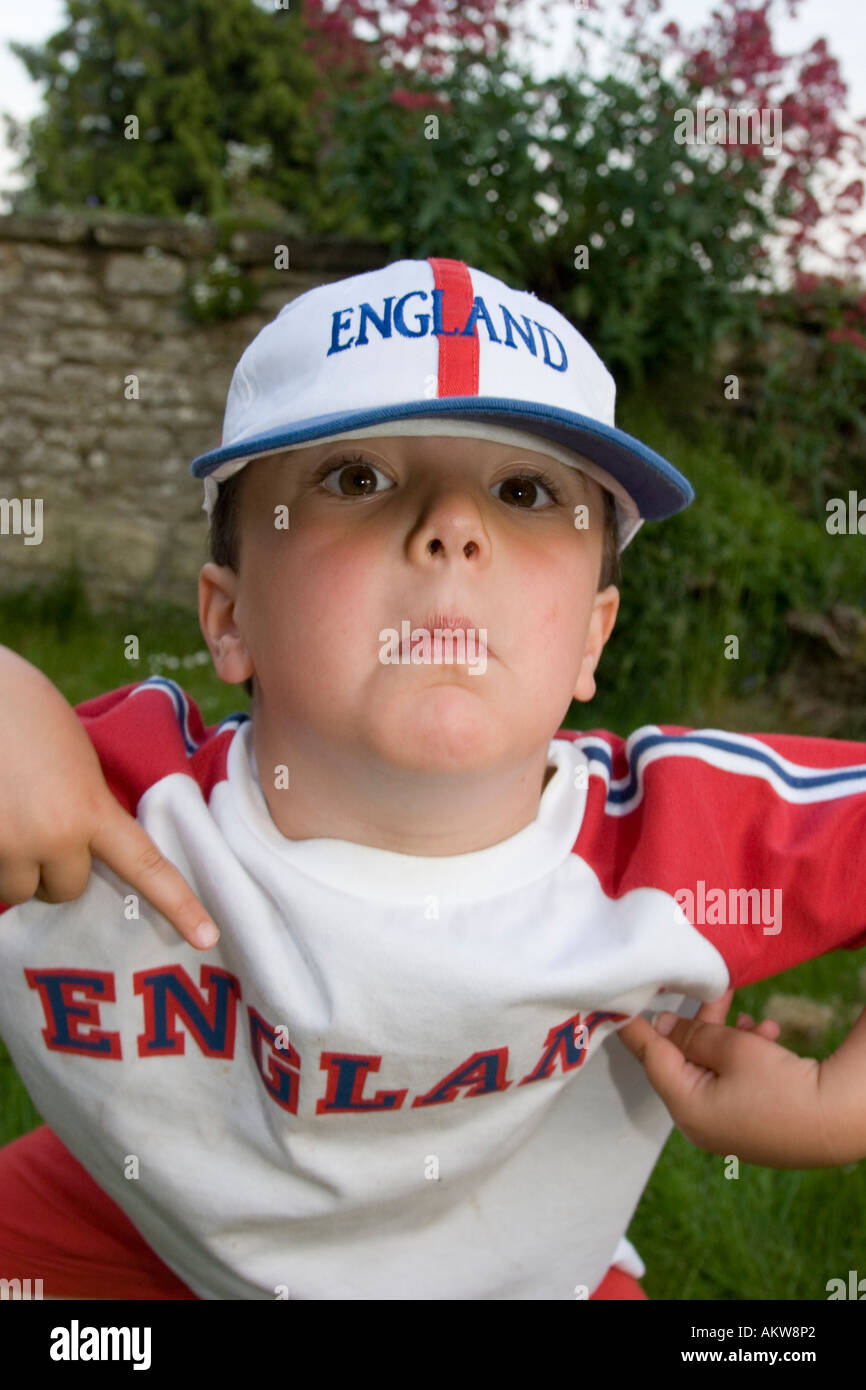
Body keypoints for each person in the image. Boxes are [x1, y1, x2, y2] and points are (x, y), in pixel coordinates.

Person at [1, 256, 865, 1302]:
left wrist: (837, 1099)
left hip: (514, 1277)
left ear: (592, 637)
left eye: (523, 490)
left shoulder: (681, 841)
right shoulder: (96, 799)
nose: (451, 530)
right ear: (228, 617)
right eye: (357, 478)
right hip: (129, 1225)